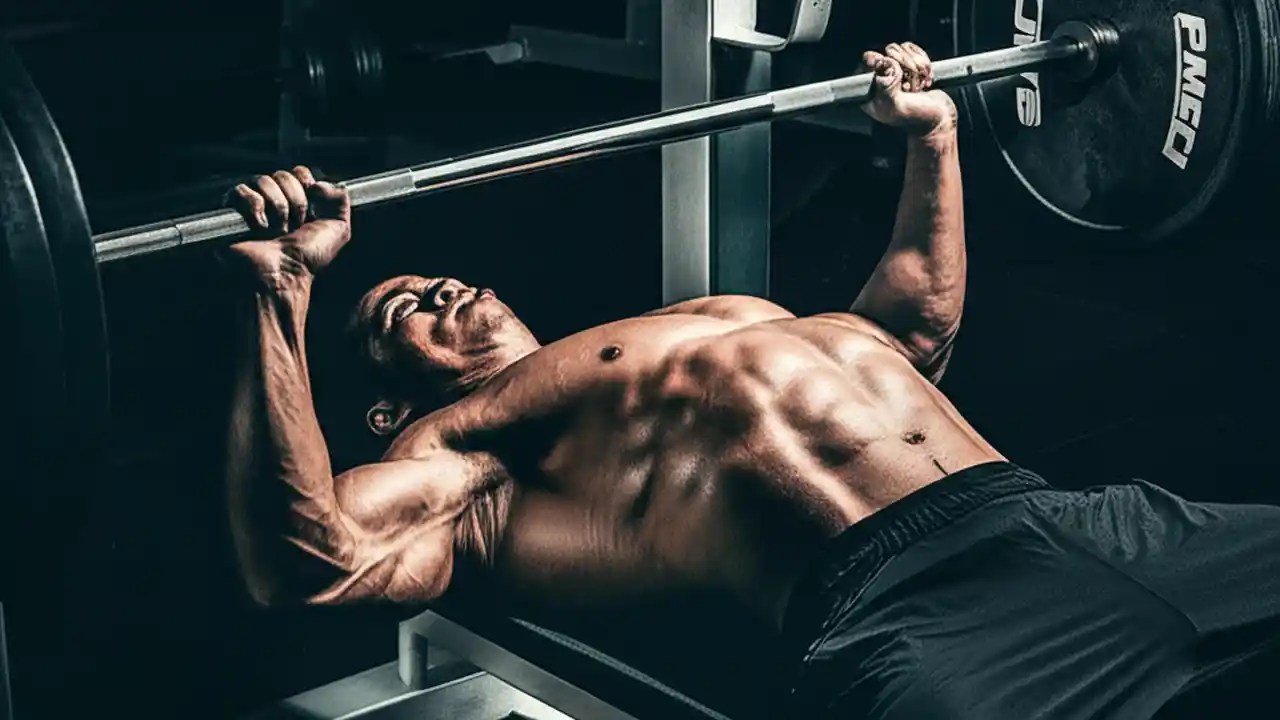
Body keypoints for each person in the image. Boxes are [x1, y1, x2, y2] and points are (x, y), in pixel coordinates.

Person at [221, 42, 1280, 718]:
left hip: (1072, 519)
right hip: (919, 620)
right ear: (384, 404)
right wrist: (282, 294)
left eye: (435, 275)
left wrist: (933, 140)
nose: (437, 287)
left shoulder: (698, 324)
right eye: (398, 308)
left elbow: (907, 335)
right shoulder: (463, 455)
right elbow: (304, 560)